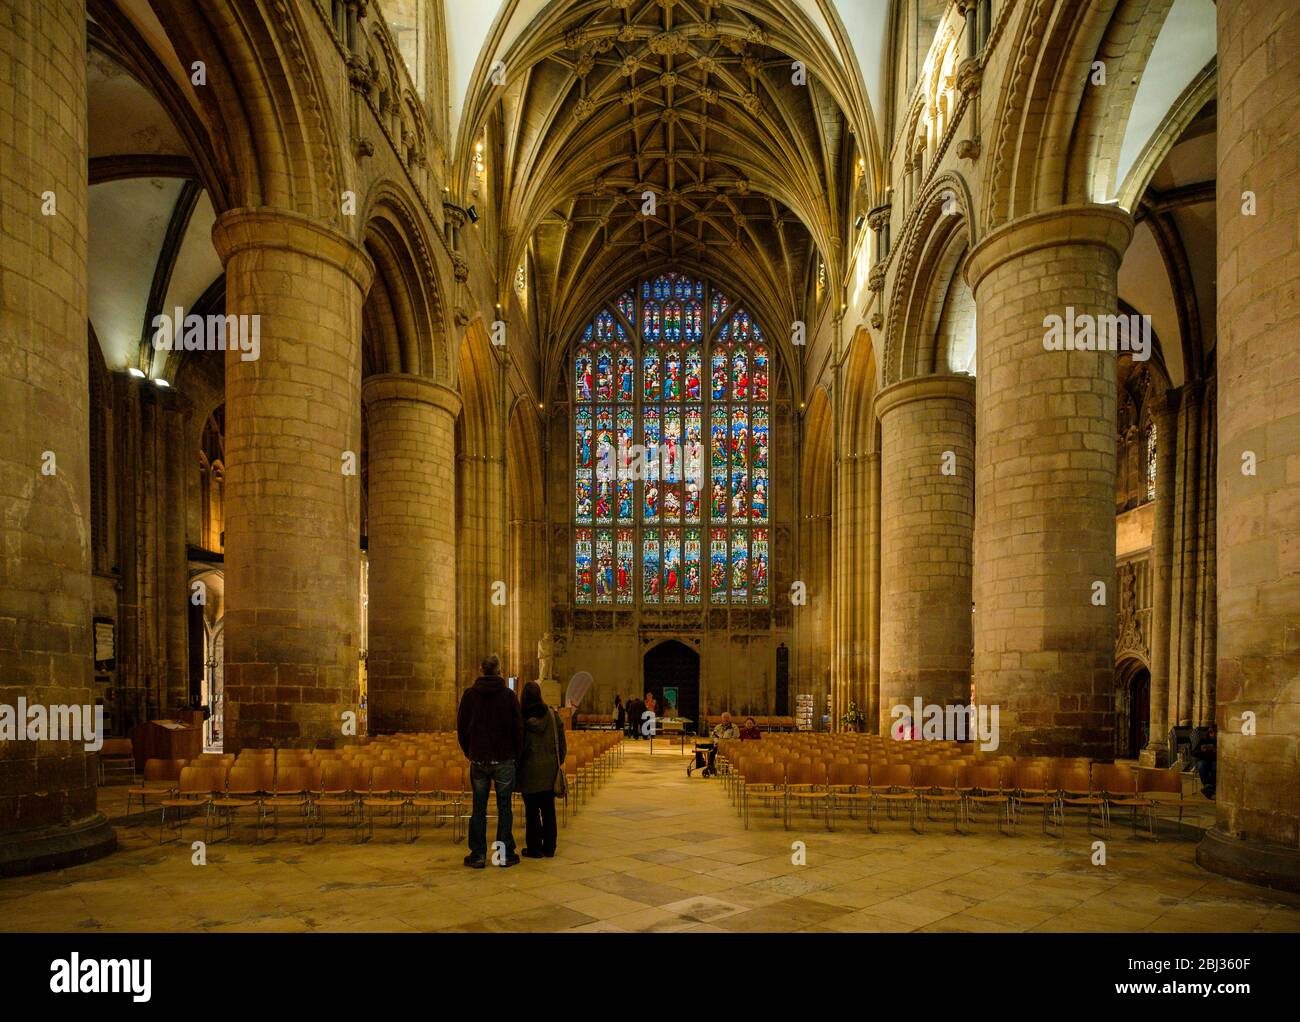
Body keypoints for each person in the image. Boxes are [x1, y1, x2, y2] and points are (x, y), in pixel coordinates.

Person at [456, 654, 523, 869]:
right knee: (504, 808)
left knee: (478, 808)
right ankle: (503, 855)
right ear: (499, 670)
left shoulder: (469, 696)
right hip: (504, 759)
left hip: (479, 759)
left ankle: (477, 855)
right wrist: (515, 755)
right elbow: (518, 729)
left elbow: (462, 728)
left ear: (481, 669)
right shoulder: (509, 696)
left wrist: (471, 752)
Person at [517, 682, 567, 858]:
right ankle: (550, 847)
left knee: (531, 811)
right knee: (548, 810)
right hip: (549, 771)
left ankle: (534, 849)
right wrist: (555, 762)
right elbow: (562, 746)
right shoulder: (553, 716)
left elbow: (517, 747)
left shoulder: (520, 719)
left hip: (528, 771)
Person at [702, 711, 739, 776]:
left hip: (729, 746)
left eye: (727, 717)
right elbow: (713, 736)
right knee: (712, 751)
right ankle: (711, 767)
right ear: (722, 719)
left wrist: (727, 741)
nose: (726, 719)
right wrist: (717, 741)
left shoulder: (734, 727)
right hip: (719, 745)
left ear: (730, 719)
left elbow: (735, 737)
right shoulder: (718, 727)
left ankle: (726, 768)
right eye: (724, 717)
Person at [1191, 723, 1217, 798]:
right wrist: (1201, 750)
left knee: (1215, 767)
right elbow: (1194, 753)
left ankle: (1210, 787)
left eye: (1215, 733)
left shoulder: (1219, 742)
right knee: (1201, 765)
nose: (1213, 735)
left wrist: (1215, 750)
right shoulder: (1204, 741)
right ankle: (1207, 786)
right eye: (1211, 732)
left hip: (1215, 761)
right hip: (1205, 761)